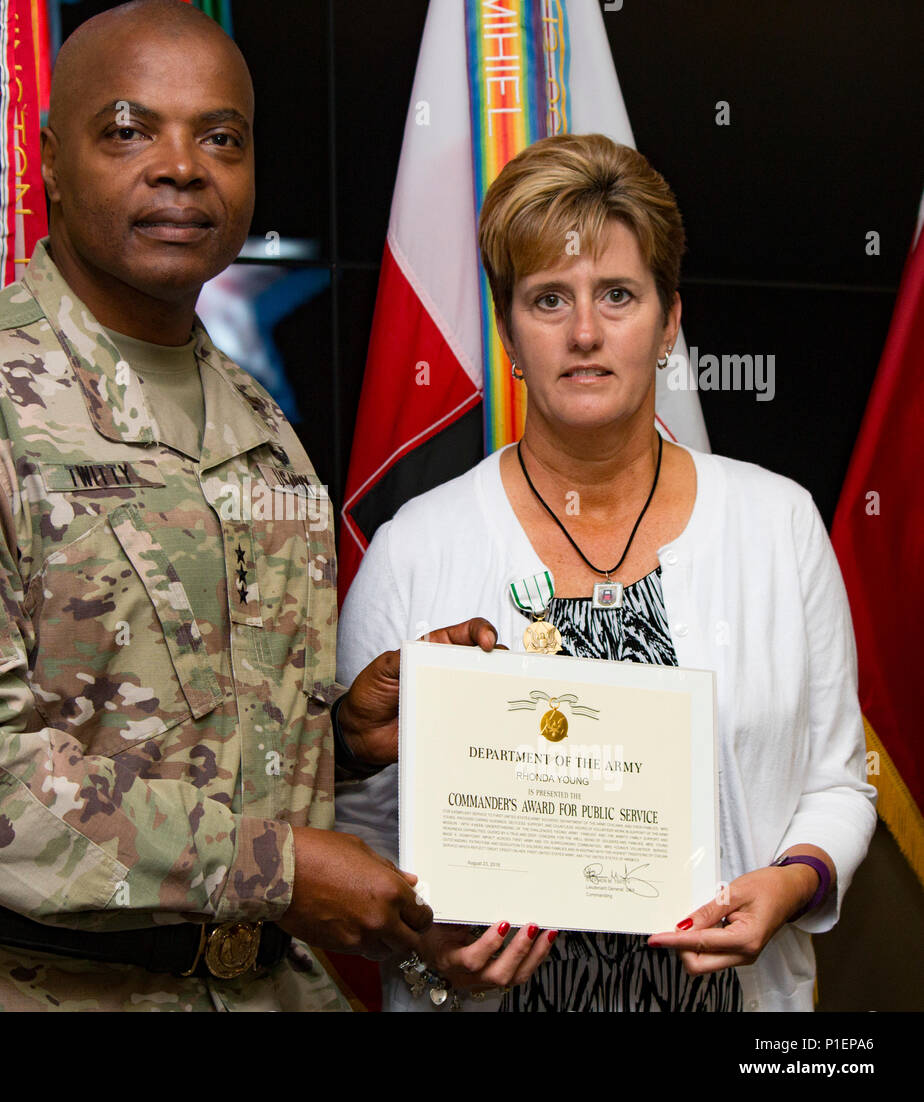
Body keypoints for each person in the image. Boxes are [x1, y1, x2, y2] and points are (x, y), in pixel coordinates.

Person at [0, 0, 443, 1011]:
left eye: (220, 138)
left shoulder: (256, 418)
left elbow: (170, 722)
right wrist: (270, 869)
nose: (182, 167)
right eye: (130, 131)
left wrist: (342, 742)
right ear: (50, 159)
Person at [335, 132, 877, 1012]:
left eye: (617, 295)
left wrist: (793, 883)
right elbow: (357, 824)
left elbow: (836, 784)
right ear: (507, 331)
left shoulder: (778, 524)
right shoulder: (416, 547)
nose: (585, 333)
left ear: (668, 321)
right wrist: (428, 946)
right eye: (549, 299)